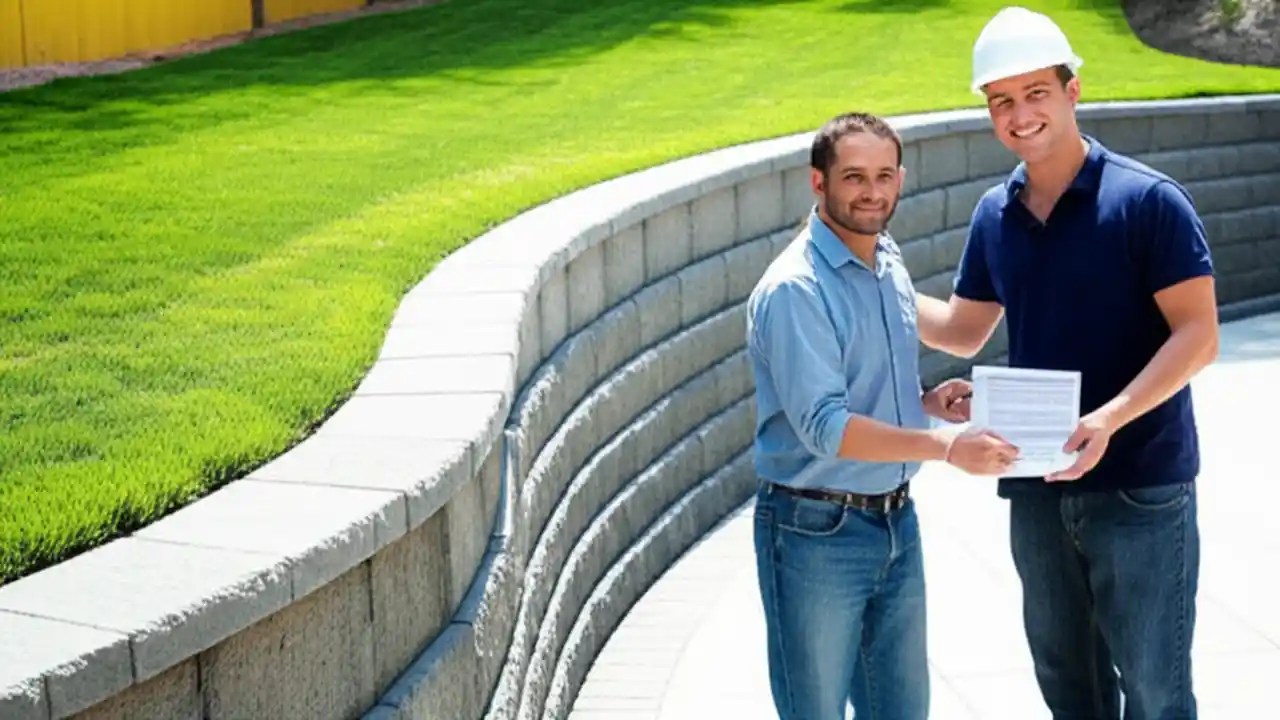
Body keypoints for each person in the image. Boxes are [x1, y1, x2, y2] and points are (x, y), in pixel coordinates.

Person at [915, 7, 1220, 719]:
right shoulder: (996, 213)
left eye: (1035, 93)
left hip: (1141, 492)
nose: (1020, 115)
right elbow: (964, 331)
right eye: (1002, 102)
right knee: (1068, 690)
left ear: (1072, 90)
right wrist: (873, 276)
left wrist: (1109, 419)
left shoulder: (1148, 202)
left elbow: (1198, 336)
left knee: (1155, 694)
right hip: (1037, 490)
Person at [745, 111, 1019, 720]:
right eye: (854, 177)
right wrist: (947, 446)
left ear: (901, 178)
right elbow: (827, 427)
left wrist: (923, 405)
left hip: (896, 524)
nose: (871, 192)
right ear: (819, 183)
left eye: (884, 176)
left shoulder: (883, 258)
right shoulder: (797, 289)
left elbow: (864, 388)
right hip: (814, 531)